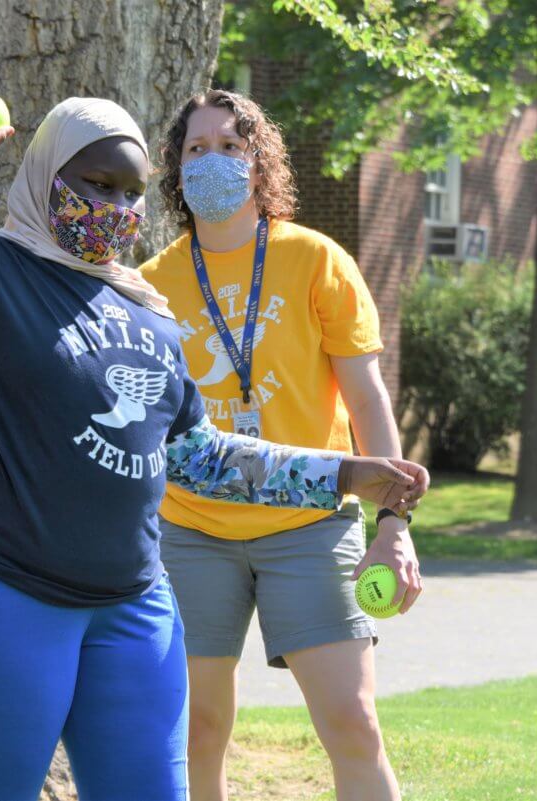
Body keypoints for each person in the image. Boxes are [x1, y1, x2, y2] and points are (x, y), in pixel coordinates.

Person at [0, 87, 428, 801]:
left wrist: (344, 474)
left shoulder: (147, 309)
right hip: (0, 586)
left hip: (131, 607)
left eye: (130, 191)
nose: (115, 207)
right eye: (95, 183)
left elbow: (204, 458)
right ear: (47, 175)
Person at [141, 89, 424, 801]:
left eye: (231, 146)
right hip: (194, 529)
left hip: (309, 527)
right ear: (175, 172)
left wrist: (393, 525)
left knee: (354, 722)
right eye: (195, 149)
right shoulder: (149, 287)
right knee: (196, 730)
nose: (213, 161)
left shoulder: (317, 261)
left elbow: (366, 399)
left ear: (260, 162)